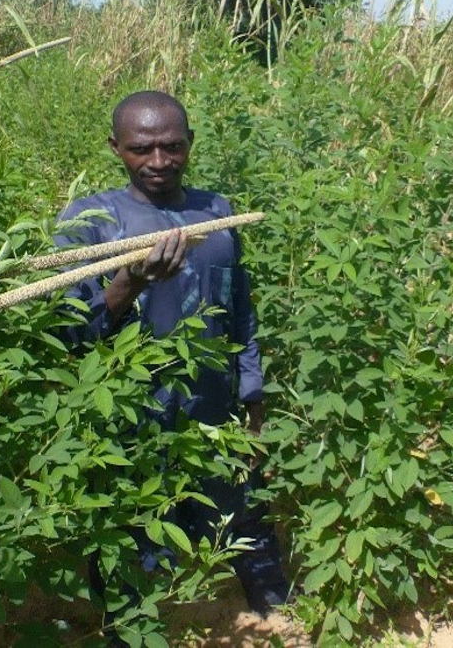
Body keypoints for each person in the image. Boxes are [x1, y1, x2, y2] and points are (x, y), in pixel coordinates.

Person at [54, 90, 290, 616]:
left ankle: (276, 611)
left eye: (172, 146)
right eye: (141, 149)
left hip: (213, 402)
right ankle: (132, 626)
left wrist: (252, 392)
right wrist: (129, 282)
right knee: (135, 532)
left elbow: (239, 308)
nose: (158, 161)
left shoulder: (217, 212)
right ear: (115, 147)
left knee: (240, 508)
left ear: (190, 143)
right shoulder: (90, 220)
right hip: (130, 411)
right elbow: (70, 332)